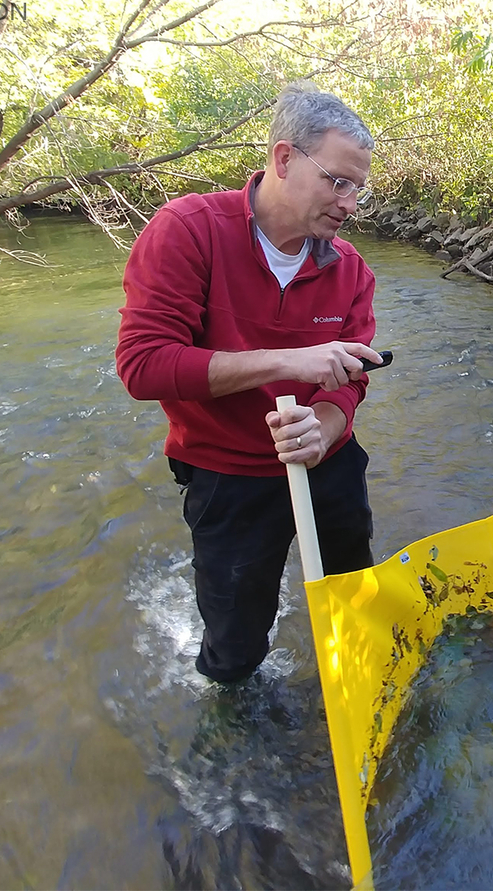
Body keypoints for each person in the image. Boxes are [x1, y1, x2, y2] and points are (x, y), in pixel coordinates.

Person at [116, 82, 385, 684]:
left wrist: (327, 424)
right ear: (285, 159)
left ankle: (355, 691)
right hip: (227, 473)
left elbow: (351, 377)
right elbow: (144, 366)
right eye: (337, 181)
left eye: (357, 189)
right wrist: (289, 361)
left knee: (352, 599)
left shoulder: (351, 269)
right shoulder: (189, 230)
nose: (348, 203)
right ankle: (234, 735)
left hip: (329, 465)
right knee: (235, 642)